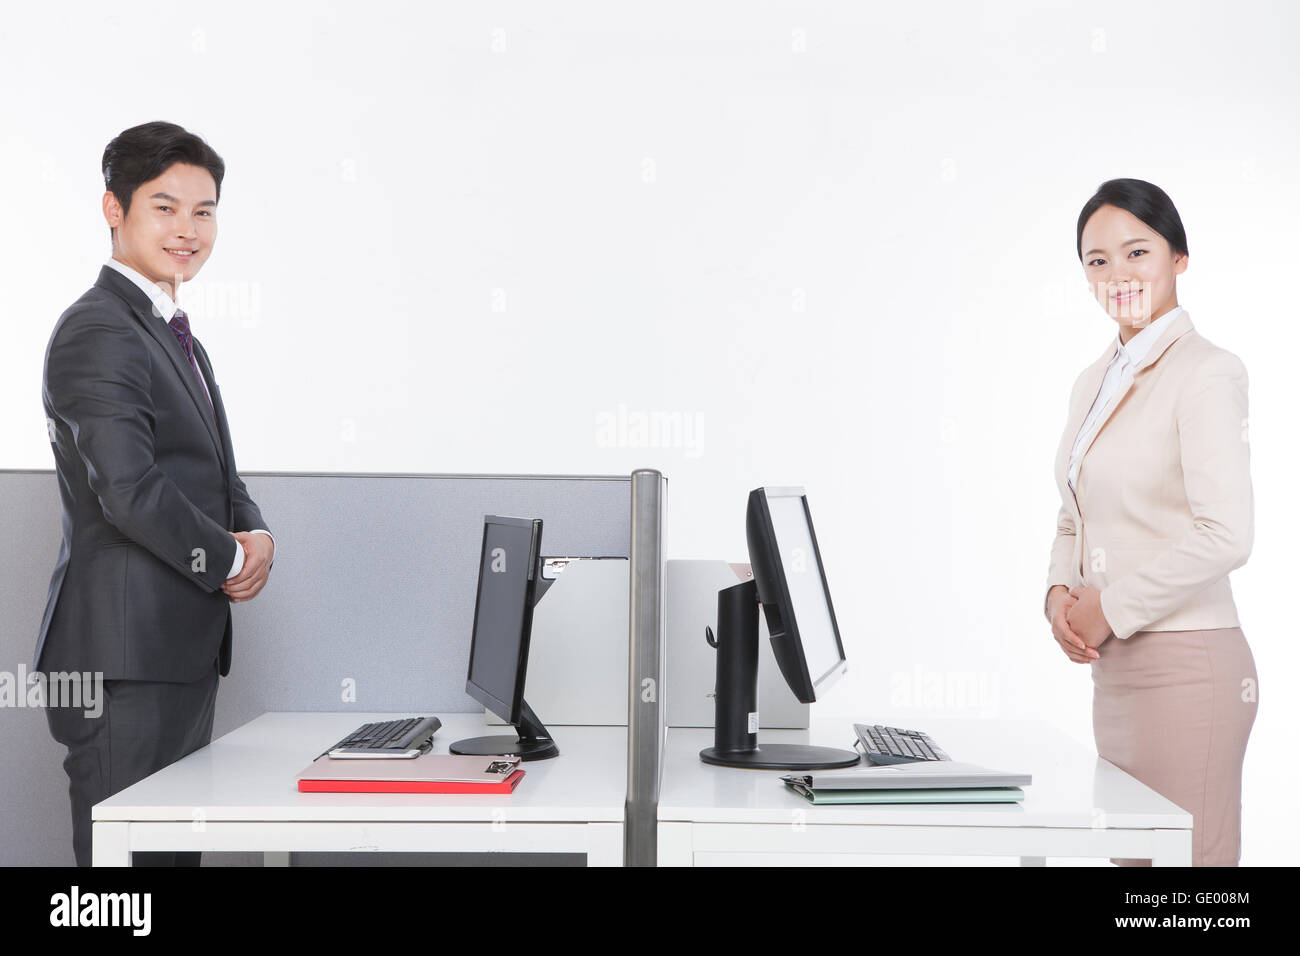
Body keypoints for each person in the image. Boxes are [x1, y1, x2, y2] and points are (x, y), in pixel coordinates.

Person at [34, 121, 275, 866]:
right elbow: (129, 489)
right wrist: (230, 560)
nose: (187, 230)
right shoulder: (99, 329)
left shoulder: (174, 334)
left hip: (171, 655)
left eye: (204, 212)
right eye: (165, 207)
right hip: (122, 664)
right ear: (115, 209)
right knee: (127, 888)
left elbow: (208, 467)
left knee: (165, 869)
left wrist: (256, 530)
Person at [1044, 178, 1257, 866]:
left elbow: (1227, 532)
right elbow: (1074, 512)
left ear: (1178, 260)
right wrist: (1057, 595)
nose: (1117, 274)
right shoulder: (1093, 379)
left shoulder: (1206, 373)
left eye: (1137, 252)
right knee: (1137, 880)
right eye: (1097, 260)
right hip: (1118, 672)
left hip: (1187, 669)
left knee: (1189, 889)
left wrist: (1111, 607)